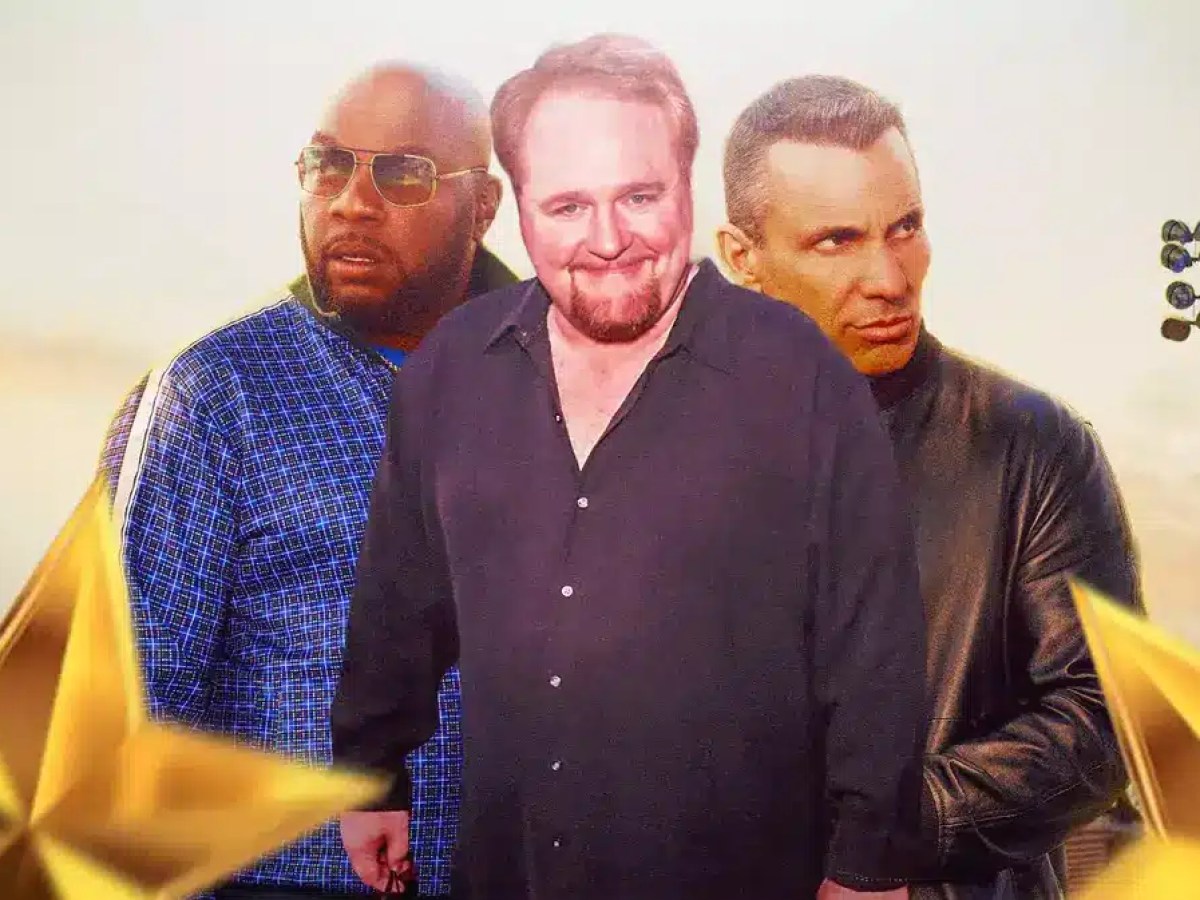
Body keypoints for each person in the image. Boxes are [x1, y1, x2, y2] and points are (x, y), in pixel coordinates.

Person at [331, 35, 928, 900]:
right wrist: (370, 775)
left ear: (685, 186)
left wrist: (869, 865)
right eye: (568, 206)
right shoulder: (452, 368)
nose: (608, 240)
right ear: (518, 209)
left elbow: (874, 642)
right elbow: (396, 597)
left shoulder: (800, 374)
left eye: (639, 197)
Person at [716, 74, 1144, 899]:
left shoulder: (1032, 443)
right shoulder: (661, 447)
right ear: (743, 258)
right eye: (837, 241)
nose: (890, 276)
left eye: (905, 227)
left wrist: (886, 832)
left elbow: (1106, 717)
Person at [100, 62, 516, 900]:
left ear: (483, 205)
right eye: (328, 165)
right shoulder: (216, 394)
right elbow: (126, 710)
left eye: (402, 174)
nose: (353, 202)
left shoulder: (565, 376)